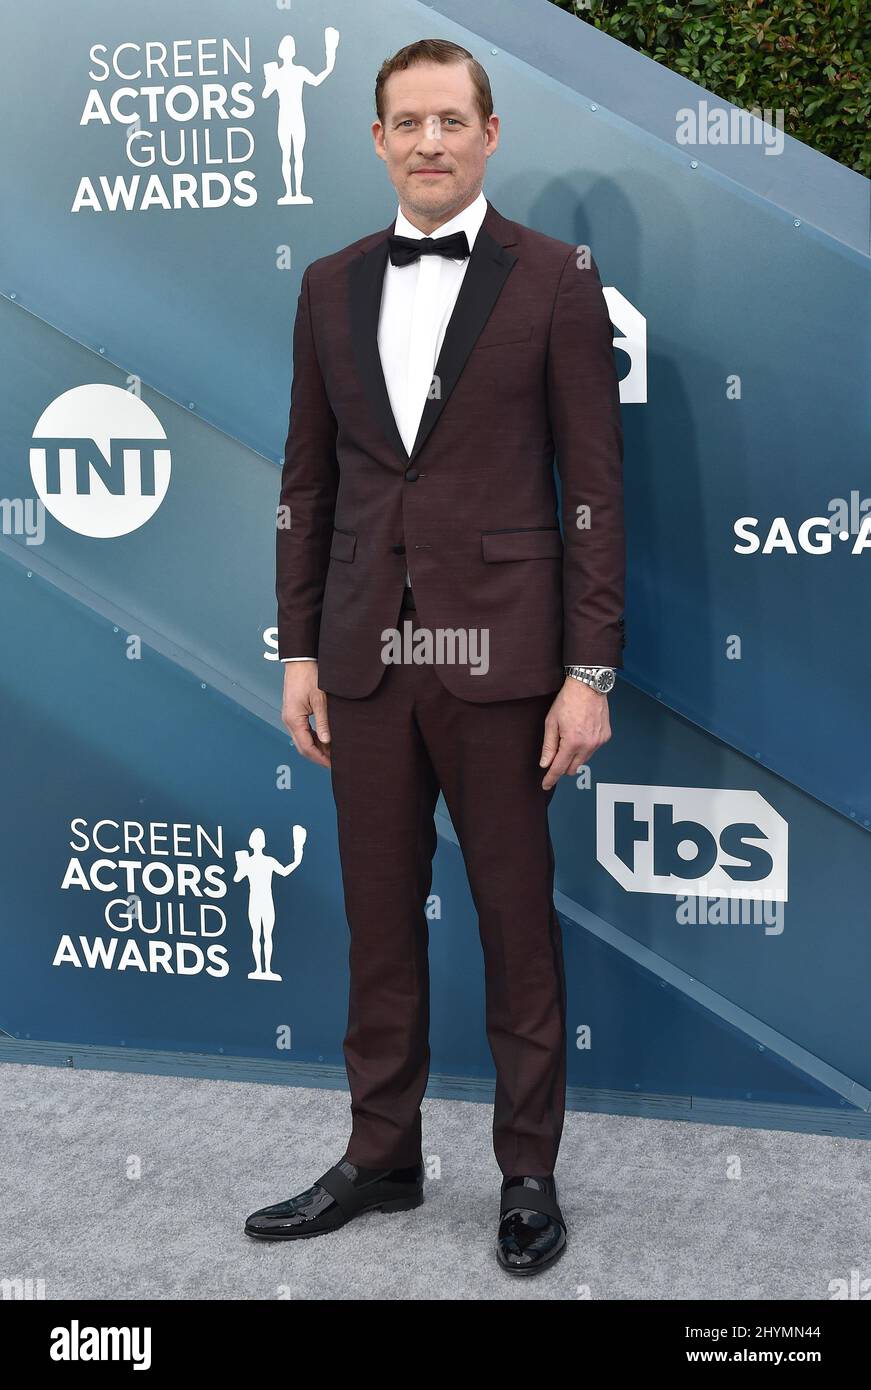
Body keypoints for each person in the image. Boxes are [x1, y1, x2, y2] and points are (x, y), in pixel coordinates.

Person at [245, 37, 625, 1276]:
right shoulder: (327, 284)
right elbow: (308, 482)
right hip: (363, 656)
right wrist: (298, 646)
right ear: (374, 140)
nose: (427, 142)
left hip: (507, 660)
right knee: (375, 923)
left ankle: (525, 1171)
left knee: (516, 924)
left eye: (450, 120)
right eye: (405, 122)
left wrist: (591, 669)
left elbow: (594, 494)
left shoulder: (558, 279)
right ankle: (382, 1153)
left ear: (490, 132)